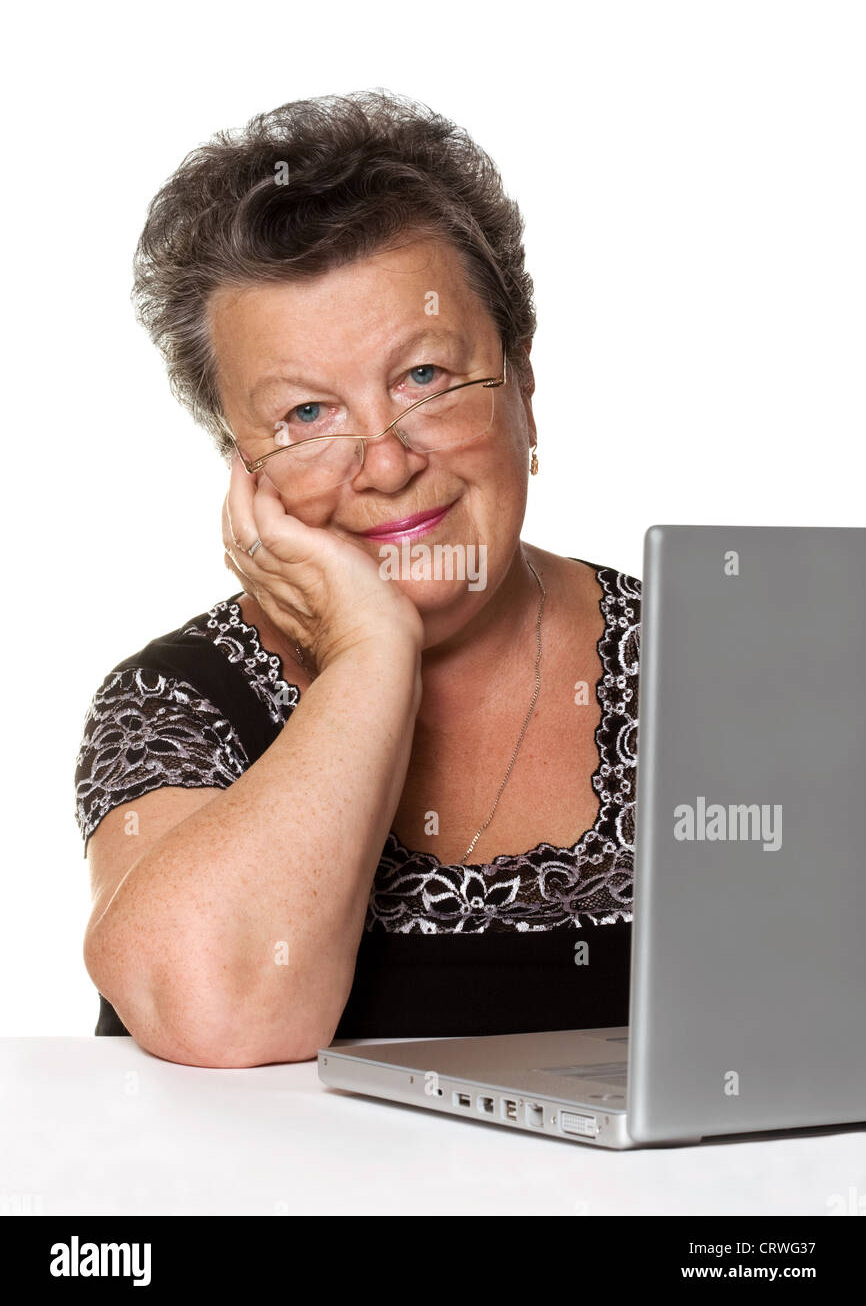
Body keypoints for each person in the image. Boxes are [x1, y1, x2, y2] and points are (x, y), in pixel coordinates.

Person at [74, 90, 641, 1068]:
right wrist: (371, 653)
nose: (383, 465)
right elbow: (216, 1012)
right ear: (239, 467)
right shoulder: (174, 697)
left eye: (422, 375)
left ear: (523, 391)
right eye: (304, 414)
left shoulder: (719, 657)